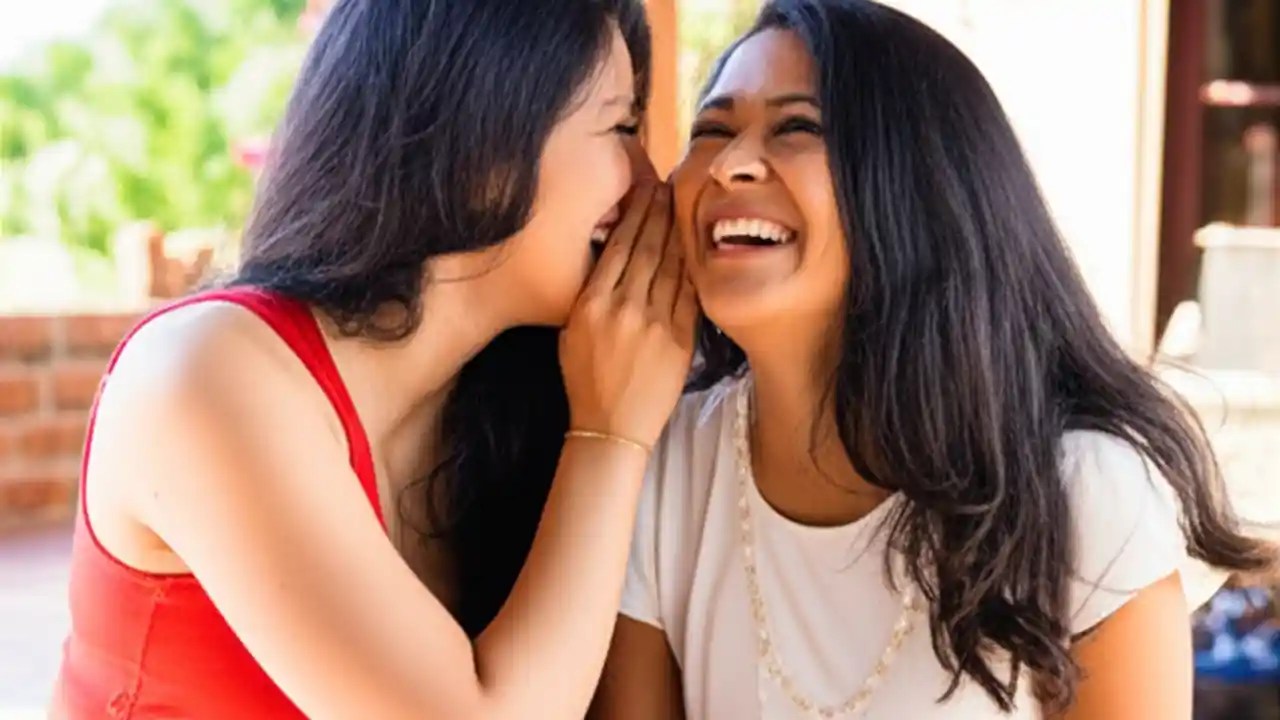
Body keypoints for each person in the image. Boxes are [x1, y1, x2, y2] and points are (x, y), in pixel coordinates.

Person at [590, 1, 1276, 718]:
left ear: (917, 185)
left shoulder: (1084, 492)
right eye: (712, 129)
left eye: (797, 127)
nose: (729, 165)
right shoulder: (668, 463)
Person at [52, 1, 698, 718]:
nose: (650, 183)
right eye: (622, 127)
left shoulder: (504, 411)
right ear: (481, 141)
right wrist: (611, 435)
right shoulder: (206, 373)